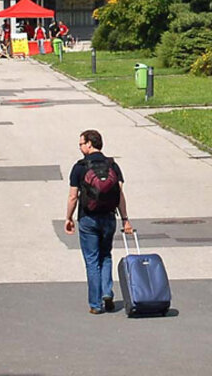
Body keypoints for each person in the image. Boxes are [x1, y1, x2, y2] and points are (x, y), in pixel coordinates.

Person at [64, 129, 132, 314]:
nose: (80, 147)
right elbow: (119, 195)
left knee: (92, 260)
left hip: (88, 218)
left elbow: (73, 197)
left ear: (89, 144)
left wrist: (69, 217)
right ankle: (107, 292)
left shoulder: (80, 167)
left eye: (81, 144)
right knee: (106, 255)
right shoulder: (113, 165)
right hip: (109, 217)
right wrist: (125, 219)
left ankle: (95, 304)